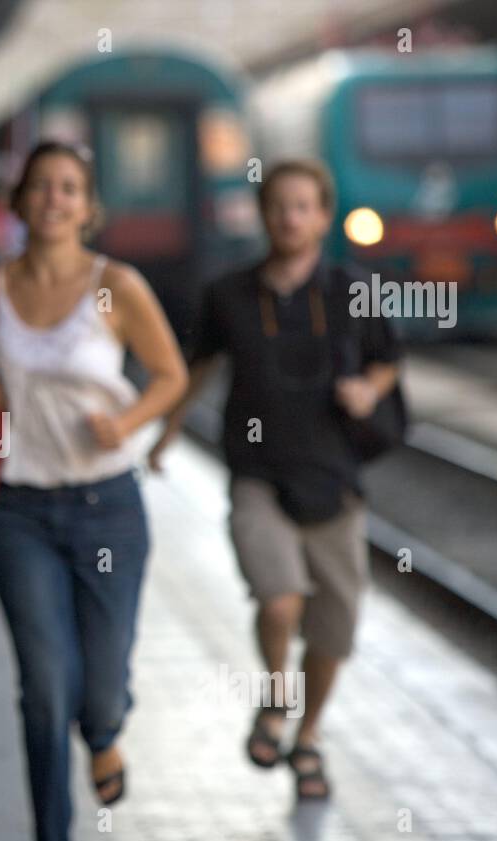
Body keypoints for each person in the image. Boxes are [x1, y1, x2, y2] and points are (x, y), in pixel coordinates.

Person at [0, 141, 188, 841]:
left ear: (88, 207)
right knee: (46, 686)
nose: (54, 198)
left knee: (100, 692)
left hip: (109, 504)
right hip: (17, 512)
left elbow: (169, 377)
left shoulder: (119, 287)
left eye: (69, 188)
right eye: (41, 186)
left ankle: (106, 737)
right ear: (18, 202)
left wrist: (129, 424)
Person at [149, 159, 403, 800]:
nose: (289, 216)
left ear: (323, 216)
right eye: (278, 205)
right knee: (281, 595)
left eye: (302, 205)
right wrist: (167, 431)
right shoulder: (228, 293)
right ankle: (275, 698)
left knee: (333, 628)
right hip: (257, 472)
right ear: (263, 216)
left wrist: (367, 392)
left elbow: (389, 362)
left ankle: (308, 736)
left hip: (335, 478)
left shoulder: (354, 289)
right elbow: (196, 365)